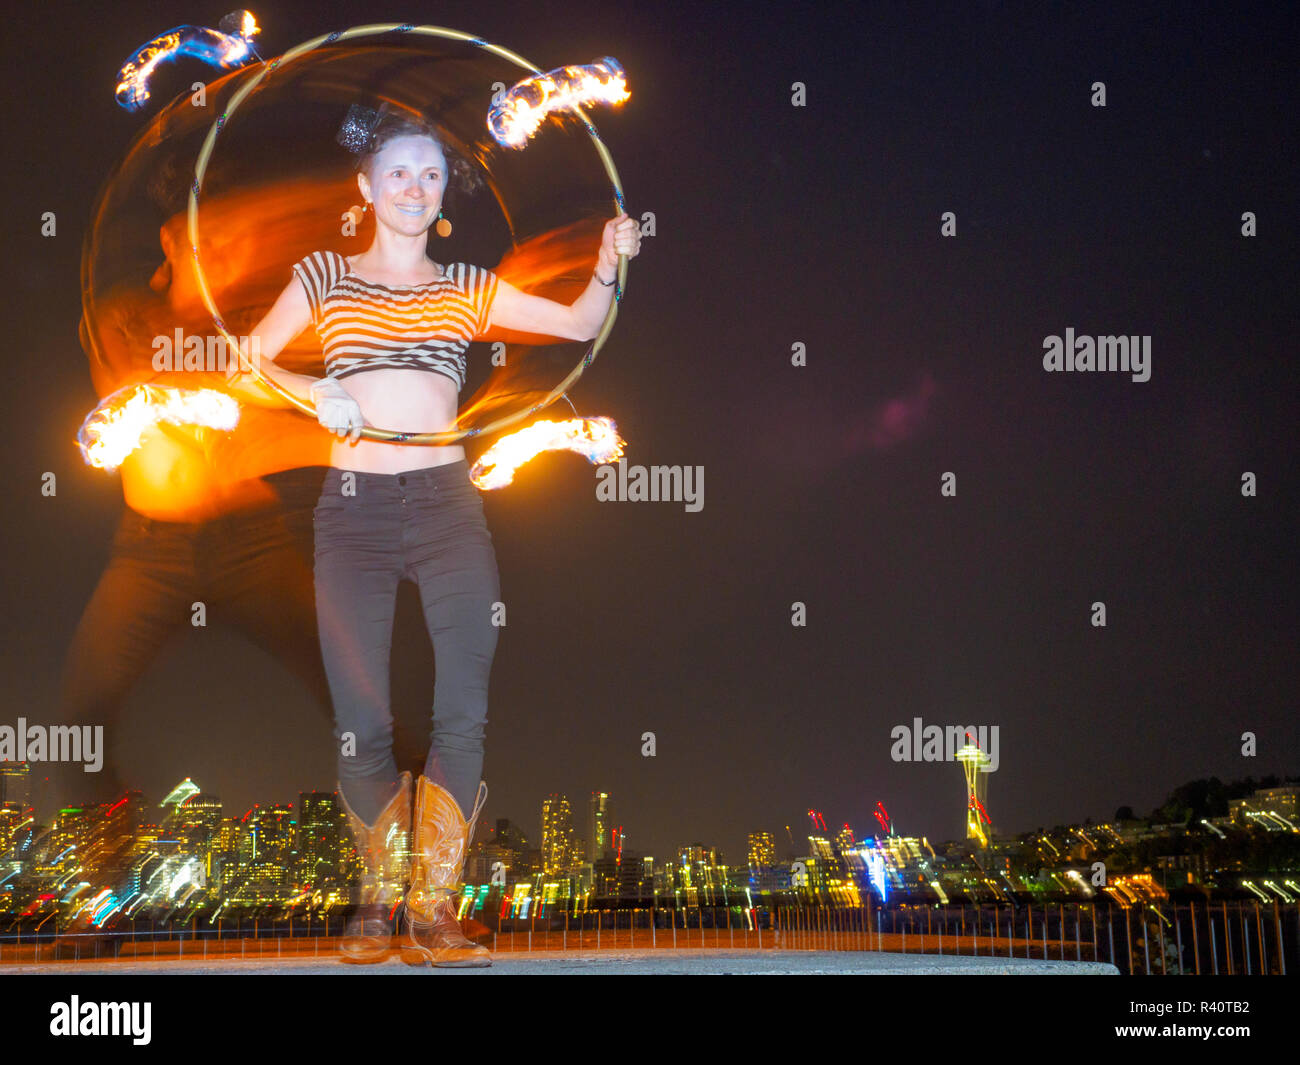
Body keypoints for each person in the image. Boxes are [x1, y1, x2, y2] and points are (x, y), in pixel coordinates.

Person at [226, 103, 641, 967]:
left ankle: (432, 913)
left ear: (443, 193)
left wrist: (605, 265)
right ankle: (377, 904)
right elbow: (248, 356)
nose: (416, 187)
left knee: (463, 708)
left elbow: (572, 324)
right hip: (353, 514)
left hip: (450, 507)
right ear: (367, 187)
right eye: (400, 172)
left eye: (432, 174)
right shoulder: (323, 275)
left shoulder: (464, 287)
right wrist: (315, 394)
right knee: (361, 717)